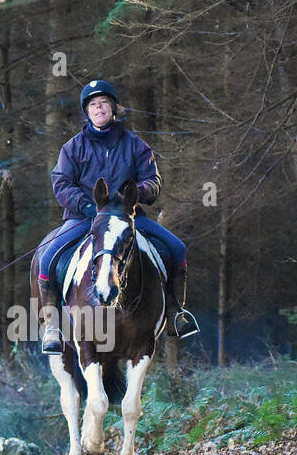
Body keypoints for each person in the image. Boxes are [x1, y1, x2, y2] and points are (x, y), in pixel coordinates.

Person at [36, 78, 198, 354]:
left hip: (127, 216)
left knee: (177, 248)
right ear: (87, 112)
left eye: (104, 103)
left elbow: (153, 180)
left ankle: (174, 312)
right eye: (93, 105)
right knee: (49, 257)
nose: (99, 109)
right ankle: (52, 326)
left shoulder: (135, 145)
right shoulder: (72, 148)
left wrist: (137, 194)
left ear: (114, 108)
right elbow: (61, 183)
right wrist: (87, 207)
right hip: (84, 217)